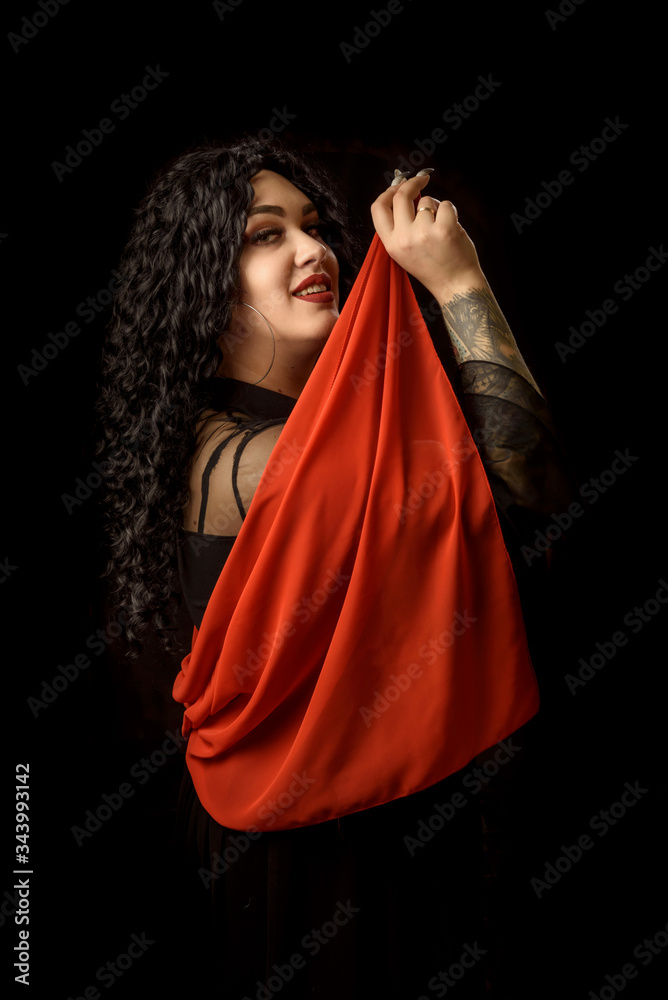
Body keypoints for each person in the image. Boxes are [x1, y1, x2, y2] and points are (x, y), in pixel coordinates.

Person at [96, 137, 575, 998]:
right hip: (307, 856)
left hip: (387, 818)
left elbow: (515, 479)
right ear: (204, 284)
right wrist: (458, 282)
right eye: (264, 235)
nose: (314, 250)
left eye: (315, 227)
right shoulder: (238, 460)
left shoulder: (310, 440)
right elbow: (527, 481)